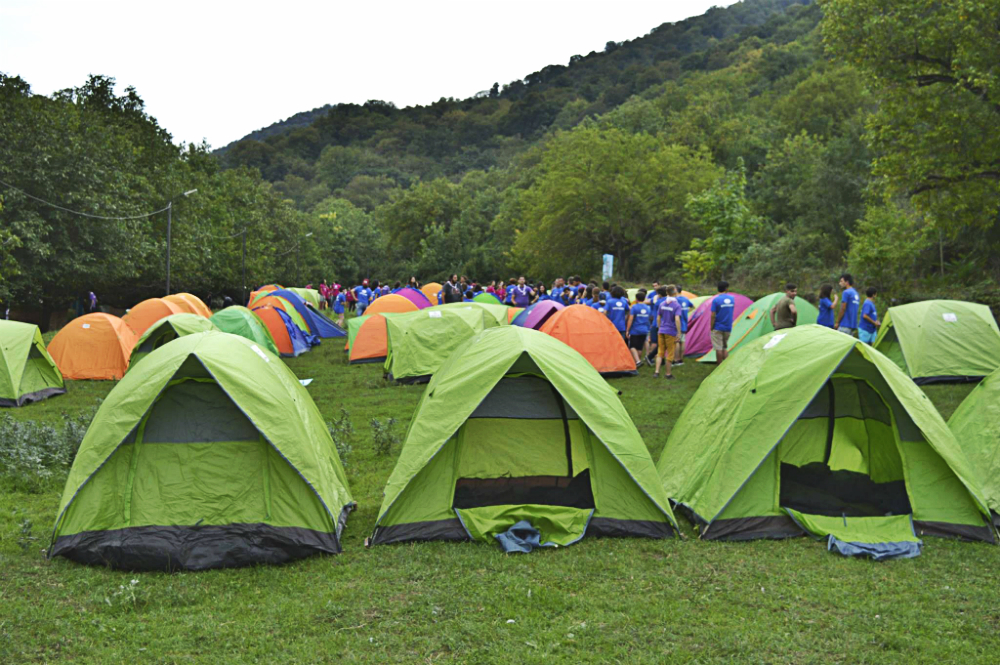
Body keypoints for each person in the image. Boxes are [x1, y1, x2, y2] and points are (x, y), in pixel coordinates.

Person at [655, 286, 682, 380]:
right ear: (675, 293)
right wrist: (679, 332)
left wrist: (659, 328)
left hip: (661, 330)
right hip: (671, 331)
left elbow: (658, 318)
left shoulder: (662, 303)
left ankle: (656, 372)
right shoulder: (676, 305)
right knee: (670, 354)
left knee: (660, 352)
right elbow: (677, 319)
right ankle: (668, 374)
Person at [710, 281, 735, 363]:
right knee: (724, 347)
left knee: (718, 348)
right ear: (726, 288)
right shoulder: (732, 299)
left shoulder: (716, 300)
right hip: (728, 327)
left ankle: (719, 367)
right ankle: (726, 367)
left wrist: (711, 327)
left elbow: (713, 315)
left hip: (718, 327)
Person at [626, 290, 652, 368]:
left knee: (632, 347)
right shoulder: (648, 308)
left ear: (636, 299)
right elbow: (649, 318)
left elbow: (630, 319)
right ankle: (638, 361)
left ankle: (638, 361)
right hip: (644, 329)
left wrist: (627, 330)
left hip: (635, 330)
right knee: (639, 347)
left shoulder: (634, 307)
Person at [674, 286, 693, 365]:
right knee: (682, 341)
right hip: (684, 323)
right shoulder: (686, 299)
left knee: (676, 341)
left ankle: (675, 360)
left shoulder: (675, 300)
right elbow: (692, 307)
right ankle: (681, 359)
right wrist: (686, 311)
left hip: (677, 324)